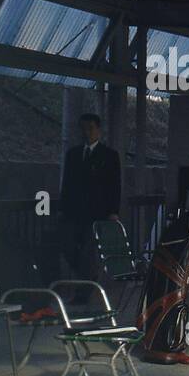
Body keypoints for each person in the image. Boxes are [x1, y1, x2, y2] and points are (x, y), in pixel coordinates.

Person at [60, 112, 122, 281]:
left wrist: (113, 211)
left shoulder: (109, 155)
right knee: (68, 246)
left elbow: (115, 185)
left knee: (88, 250)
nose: (86, 132)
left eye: (90, 128)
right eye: (83, 129)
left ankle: (84, 289)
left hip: (97, 212)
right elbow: (66, 184)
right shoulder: (73, 154)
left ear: (98, 130)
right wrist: (63, 209)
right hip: (74, 212)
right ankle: (86, 277)